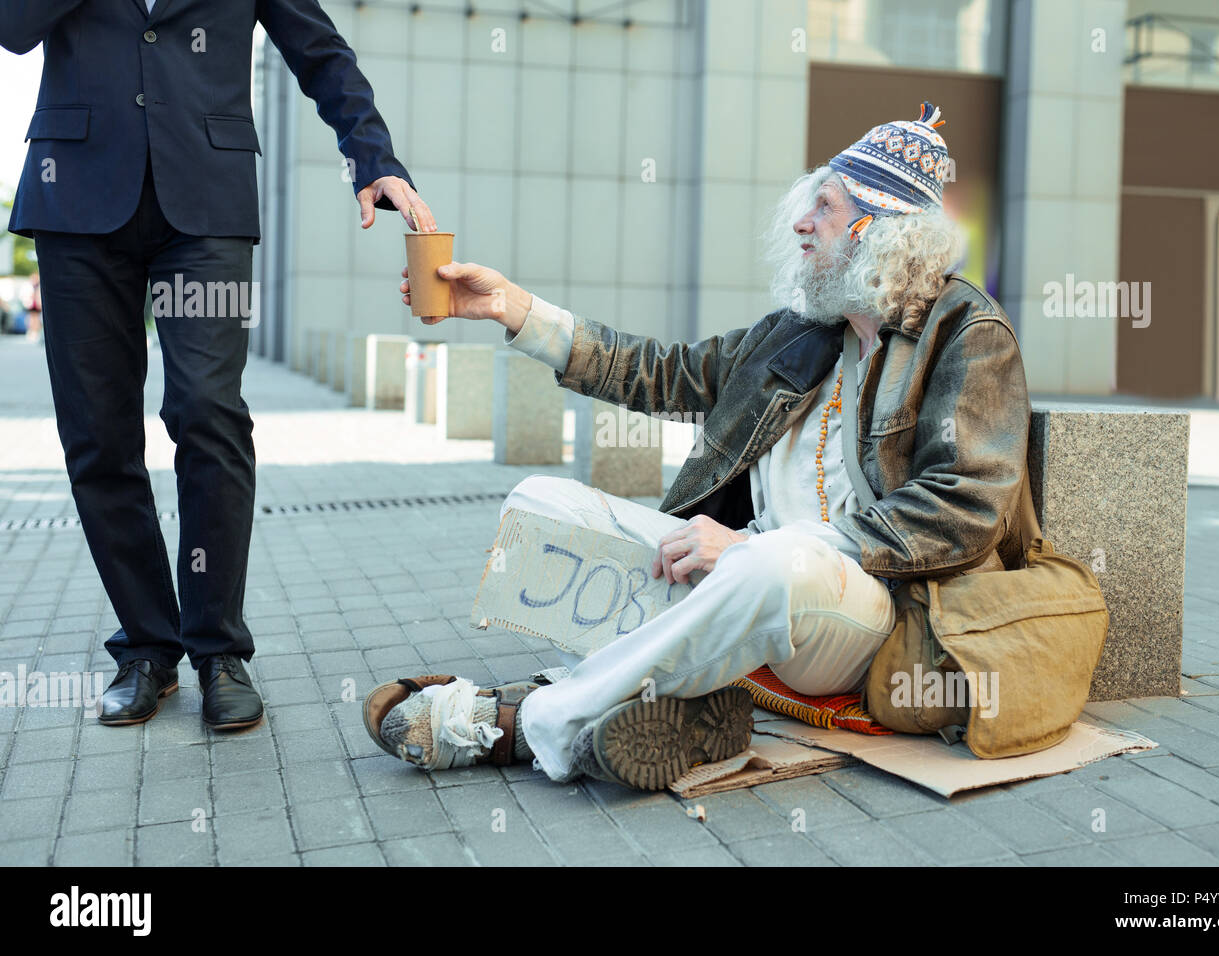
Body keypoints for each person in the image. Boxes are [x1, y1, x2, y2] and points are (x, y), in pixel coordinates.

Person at [375, 103, 1031, 789]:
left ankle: (528, 719)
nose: (802, 222)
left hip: (869, 609)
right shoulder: (800, 330)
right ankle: (680, 708)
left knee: (767, 565)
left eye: (826, 207)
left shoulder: (967, 333)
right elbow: (660, 373)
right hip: (747, 571)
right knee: (539, 502)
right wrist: (511, 307)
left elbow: (964, 507)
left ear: (883, 231)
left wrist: (755, 549)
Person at [1, 1, 436, 731]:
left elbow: (320, 50)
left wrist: (373, 156)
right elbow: (13, 29)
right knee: (97, 434)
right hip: (75, 200)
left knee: (208, 409)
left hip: (205, 208)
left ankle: (218, 650)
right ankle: (146, 647)